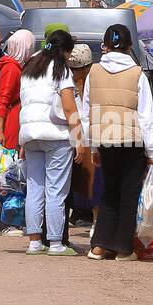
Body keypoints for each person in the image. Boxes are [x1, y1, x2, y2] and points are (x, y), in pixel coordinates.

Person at [80, 23, 153, 261]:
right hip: (132, 141)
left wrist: (92, 145)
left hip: (104, 140)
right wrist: (152, 151)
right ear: (130, 46)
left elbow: (87, 112)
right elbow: (146, 116)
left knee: (109, 192)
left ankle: (99, 246)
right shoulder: (138, 74)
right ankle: (123, 249)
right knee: (129, 193)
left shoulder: (93, 72)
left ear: (105, 46)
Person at [18, 29, 84, 255]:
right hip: (55, 135)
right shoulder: (61, 70)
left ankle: (34, 242)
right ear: (65, 51)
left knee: (35, 188)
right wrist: (79, 138)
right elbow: (68, 107)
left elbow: (24, 105)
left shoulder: (29, 68)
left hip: (29, 135)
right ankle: (56, 243)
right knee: (56, 190)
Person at [0, 27, 36, 238]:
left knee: (13, 173)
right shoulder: (11, 68)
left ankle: (9, 219)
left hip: (13, 121)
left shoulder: (14, 66)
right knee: (11, 173)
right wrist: (0, 130)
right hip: (10, 124)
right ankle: (7, 221)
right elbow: (3, 100)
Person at [66, 43, 101, 232]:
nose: (73, 72)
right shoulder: (67, 82)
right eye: (71, 68)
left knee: (92, 178)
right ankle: (79, 213)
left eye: (77, 69)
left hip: (92, 132)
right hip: (74, 132)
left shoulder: (96, 81)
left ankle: (93, 217)